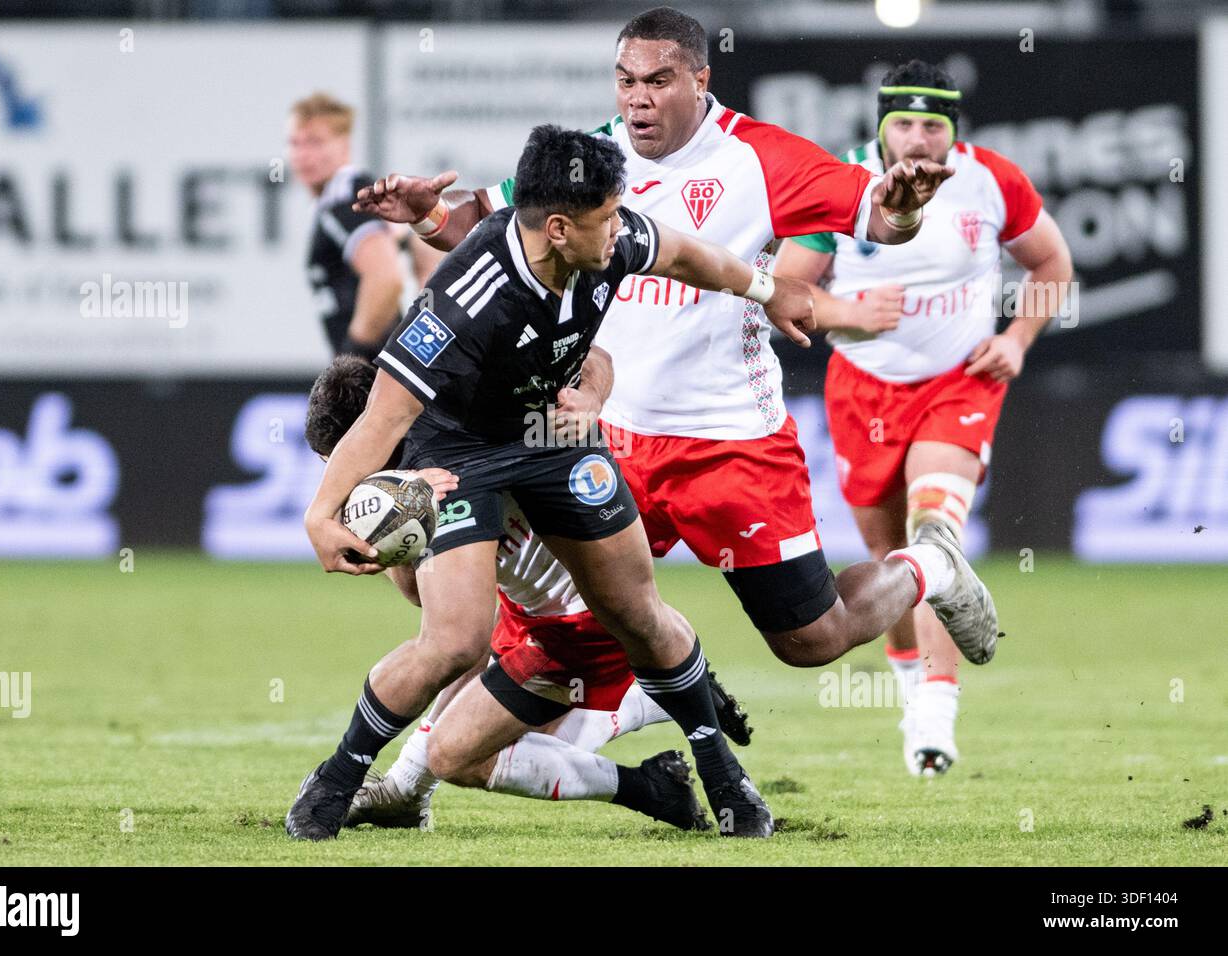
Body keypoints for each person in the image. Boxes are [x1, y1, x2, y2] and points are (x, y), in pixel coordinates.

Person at [352, 10, 997, 723]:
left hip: (731, 440)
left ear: (700, 79)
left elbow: (876, 216)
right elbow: (487, 222)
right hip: (606, 438)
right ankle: (420, 777)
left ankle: (931, 566)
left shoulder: (762, 157)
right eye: (626, 81)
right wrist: (423, 217)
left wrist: (902, 214)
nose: (638, 98)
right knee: (547, 627)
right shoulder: (590, 161)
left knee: (811, 638)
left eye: (658, 81)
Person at [288, 124, 825, 841]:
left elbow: (689, 259)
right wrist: (322, 517)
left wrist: (767, 289)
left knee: (638, 610)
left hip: (552, 438)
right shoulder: (466, 301)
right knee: (454, 639)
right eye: (606, 219)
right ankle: (337, 778)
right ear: (560, 228)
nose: (622, 230)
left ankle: (722, 774)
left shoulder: (610, 238)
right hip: (467, 450)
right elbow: (385, 413)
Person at [303, 355, 753, 830]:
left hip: (579, 626)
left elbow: (594, 355)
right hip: (529, 610)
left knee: (456, 753)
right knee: (460, 641)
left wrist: (389, 525)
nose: (337, 481)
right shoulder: (444, 414)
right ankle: (404, 793)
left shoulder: (445, 463)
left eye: (338, 465)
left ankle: (651, 753)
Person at [774, 61, 1072, 774]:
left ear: (953, 132)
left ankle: (938, 709)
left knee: (933, 533)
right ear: (879, 128)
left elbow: (1052, 264)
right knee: (888, 567)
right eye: (903, 123)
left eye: (933, 125)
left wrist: (1015, 340)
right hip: (864, 391)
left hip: (958, 385)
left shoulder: (992, 180)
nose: (918, 138)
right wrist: (849, 312)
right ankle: (912, 683)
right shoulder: (839, 186)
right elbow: (782, 290)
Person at [287, 92, 405, 357]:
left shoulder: (347, 201)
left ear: (344, 146)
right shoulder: (357, 193)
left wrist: (353, 358)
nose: (303, 155)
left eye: (315, 142)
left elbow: (386, 278)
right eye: (295, 143)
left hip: (378, 373)